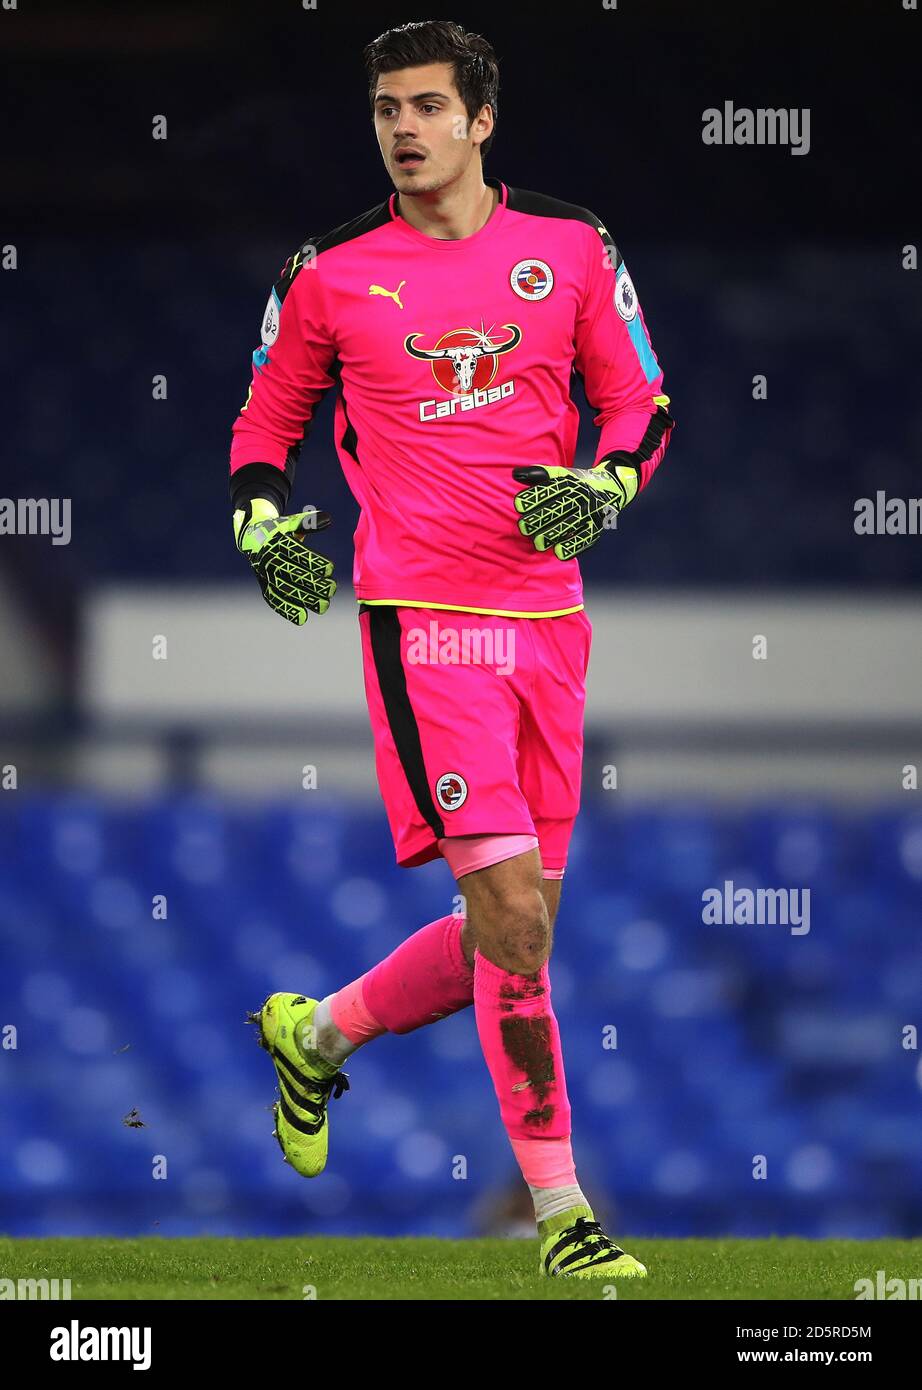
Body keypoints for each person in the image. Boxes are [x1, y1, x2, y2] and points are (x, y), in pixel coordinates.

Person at [231, 19, 674, 1280]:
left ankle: (317, 1033)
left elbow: (641, 400)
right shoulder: (327, 272)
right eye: (386, 109)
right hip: (423, 624)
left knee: (514, 923)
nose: (405, 129)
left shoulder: (572, 247)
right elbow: (264, 424)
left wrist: (605, 485)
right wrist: (263, 522)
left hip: (551, 622)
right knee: (516, 924)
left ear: (483, 119)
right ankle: (564, 1214)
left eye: (428, 106)